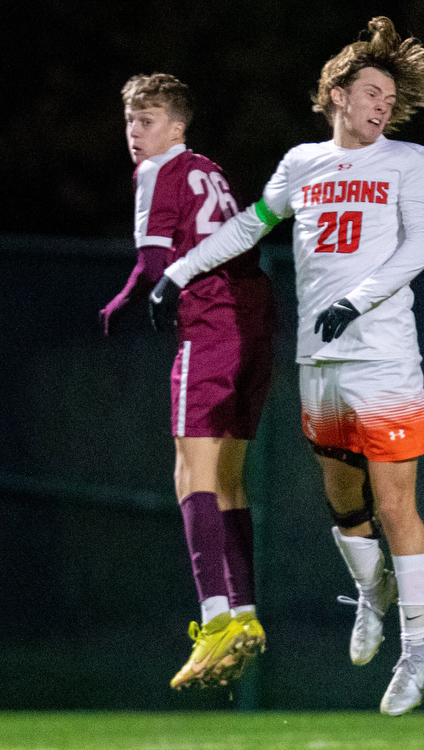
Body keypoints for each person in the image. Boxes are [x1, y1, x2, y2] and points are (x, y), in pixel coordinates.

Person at [149, 17, 424, 716]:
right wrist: (177, 273)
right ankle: (372, 595)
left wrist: (358, 298)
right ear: (337, 94)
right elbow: (251, 223)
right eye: (371, 93)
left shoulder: (409, 162)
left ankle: (419, 647)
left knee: (396, 504)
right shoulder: (302, 163)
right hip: (320, 362)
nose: (381, 106)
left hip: (384, 358)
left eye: (389, 99)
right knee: (345, 505)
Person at [101, 73, 275, 690]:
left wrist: (118, 305)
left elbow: (152, 265)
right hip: (256, 319)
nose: (134, 134)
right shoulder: (211, 168)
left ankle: (214, 616)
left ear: (177, 126)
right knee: (227, 476)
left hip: (210, 323)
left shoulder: (157, 174)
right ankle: (246, 613)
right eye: (129, 122)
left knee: (189, 470)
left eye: (146, 122)